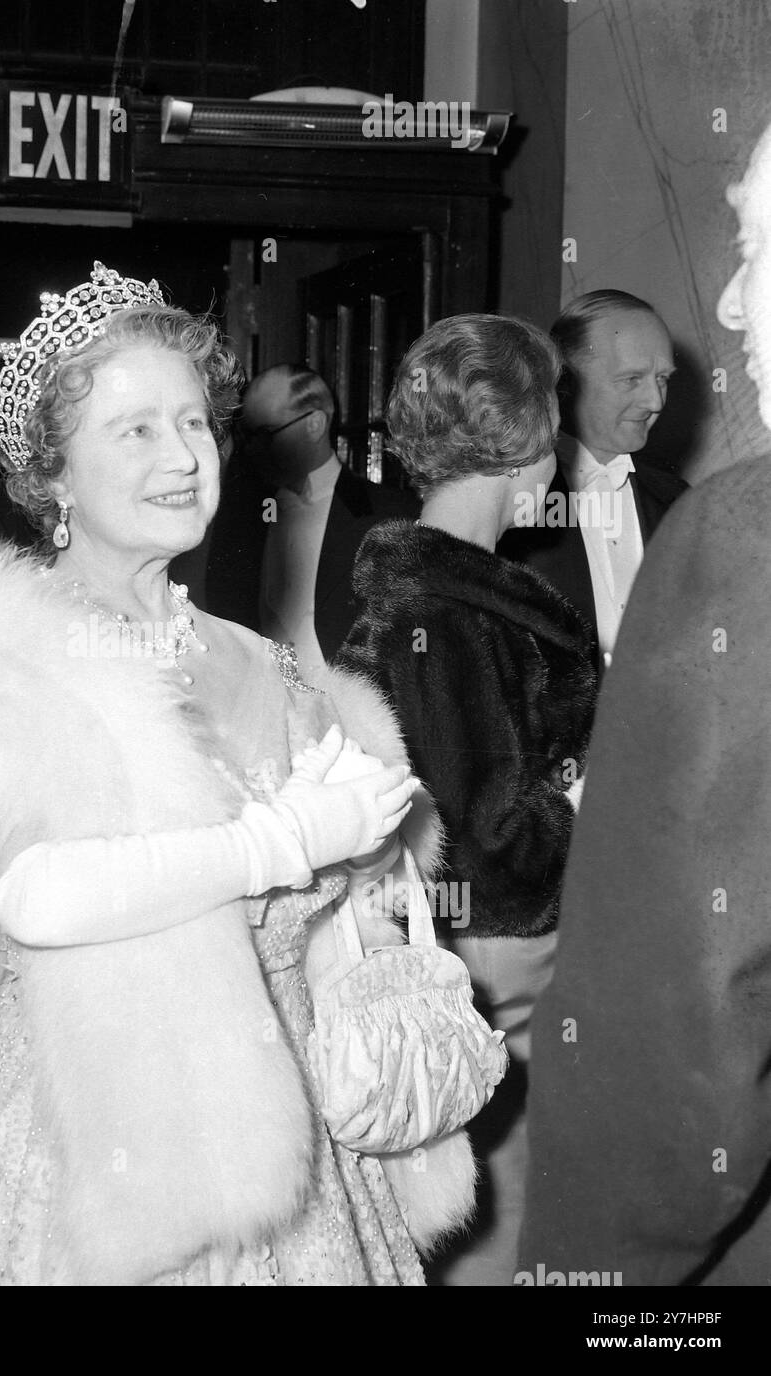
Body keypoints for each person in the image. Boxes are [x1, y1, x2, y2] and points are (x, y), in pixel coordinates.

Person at [0, 262, 473, 1287]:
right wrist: (283, 840)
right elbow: (36, 895)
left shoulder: (257, 658)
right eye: (134, 429)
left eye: (193, 422)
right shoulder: (3, 654)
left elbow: (320, 914)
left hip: (291, 1145)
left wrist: (364, 850)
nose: (182, 456)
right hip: (88, 1147)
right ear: (52, 472)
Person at [517, 118, 771, 1287]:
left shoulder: (707, 515)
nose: (662, 390)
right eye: (633, 377)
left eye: (664, 380)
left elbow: (687, 1000)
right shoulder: (507, 519)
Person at [339, 314, 598, 1287]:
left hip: (484, 949)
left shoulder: (439, 596)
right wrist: (586, 798)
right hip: (497, 958)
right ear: (522, 440)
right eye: (552, 416)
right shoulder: (444, 614)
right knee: (504, 1220)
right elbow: (490, 843)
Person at [500, 290, 687, 675]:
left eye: (662, 379)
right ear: (566, 381)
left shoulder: (678, 501)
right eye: (631, 379)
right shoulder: (511, 499)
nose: (655, 400)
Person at [240, 365, 417, 678]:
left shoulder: (394, 514)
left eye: (263, 434)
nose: (249, 449)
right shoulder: (236, 513)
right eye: (245, 435)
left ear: (314, 424)